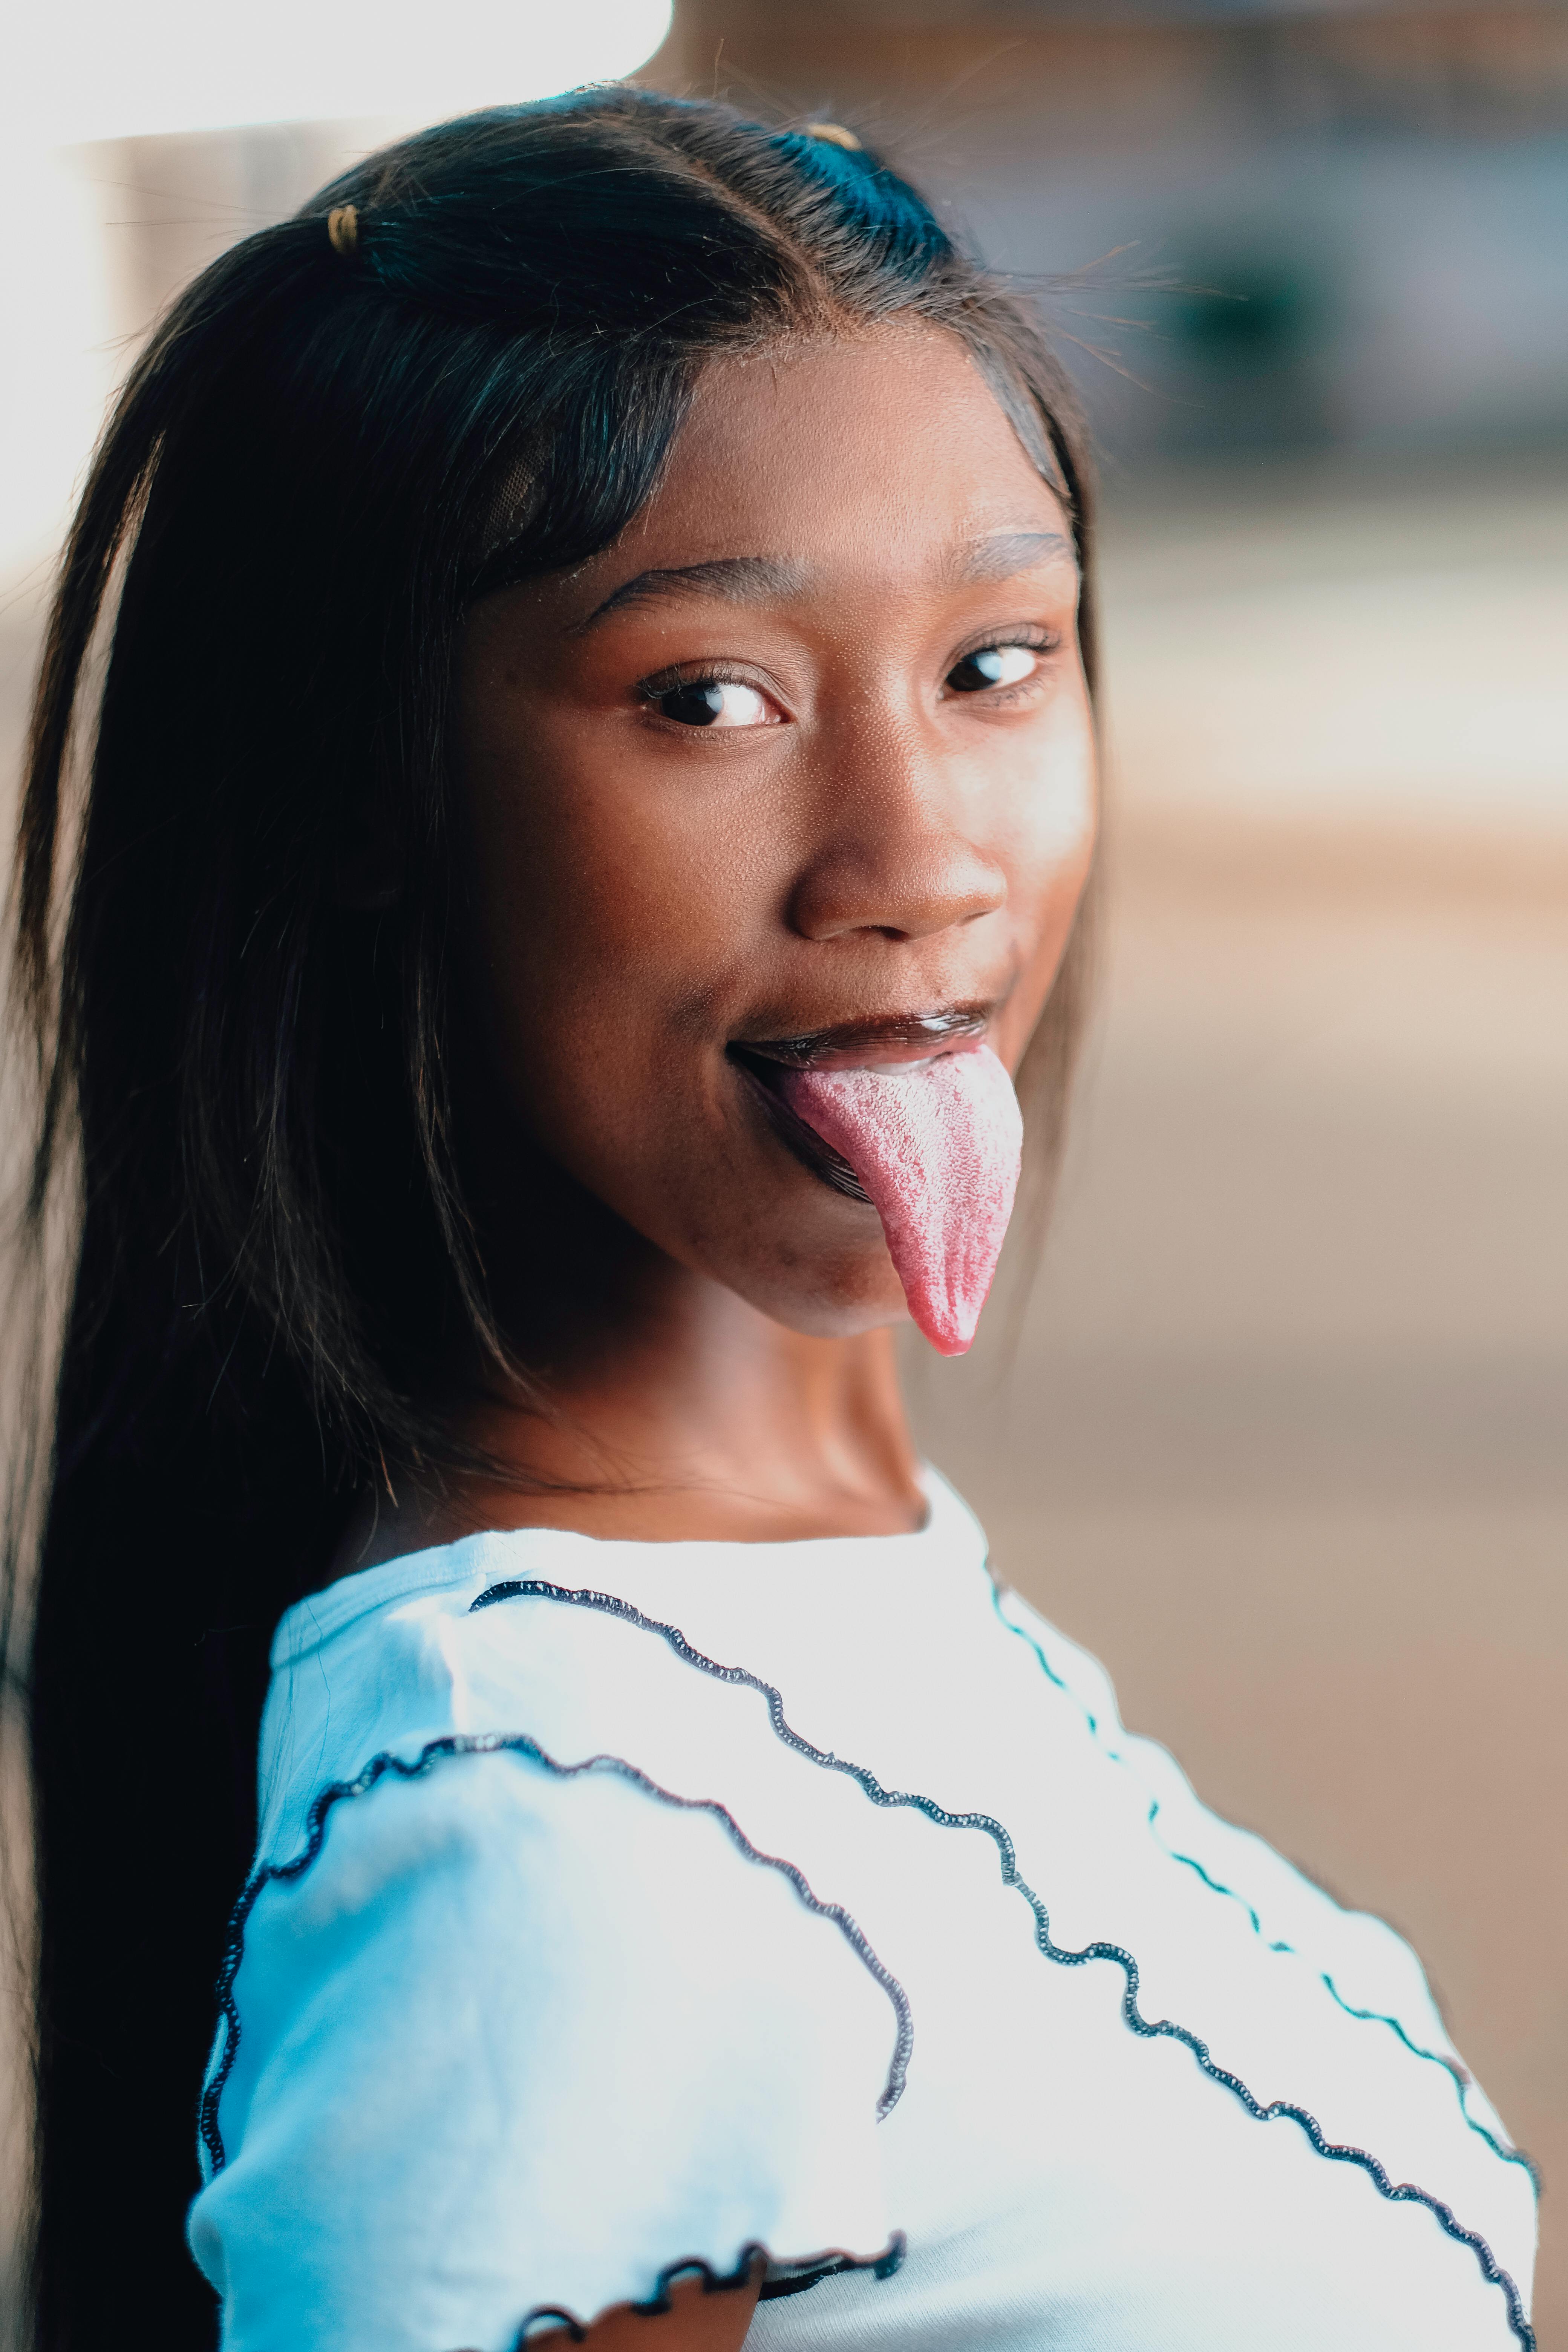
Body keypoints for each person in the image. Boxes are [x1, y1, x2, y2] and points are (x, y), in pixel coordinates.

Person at [8, 87, 1536, 2352]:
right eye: (709, 698)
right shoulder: (551, 1820)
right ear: (360, 785)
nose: (919, 858)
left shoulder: (797, 1597)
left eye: (996, 663)